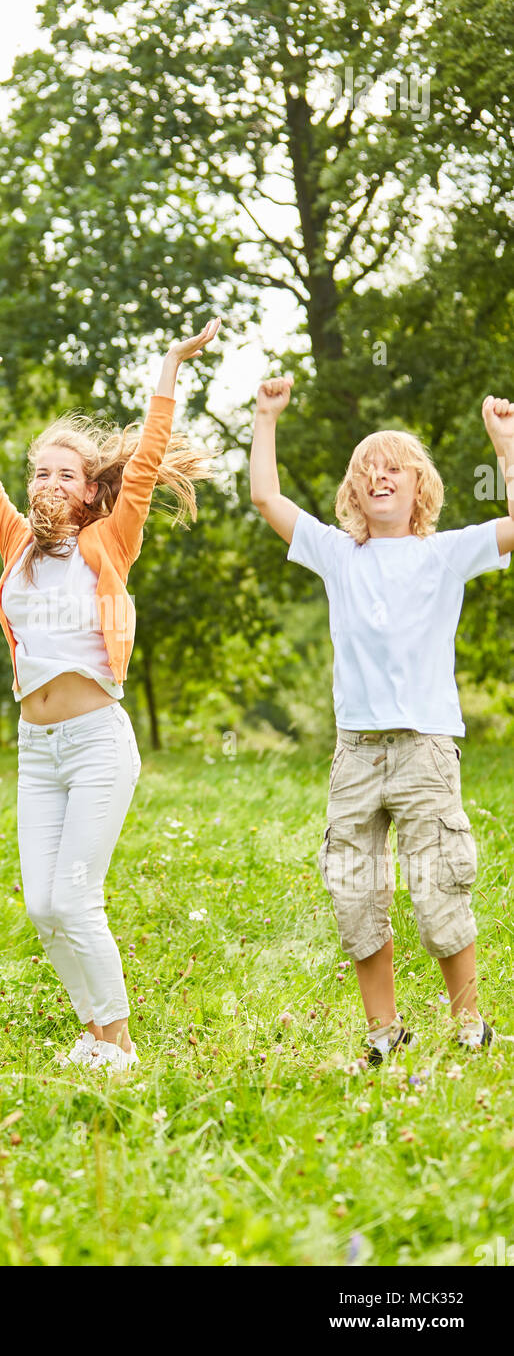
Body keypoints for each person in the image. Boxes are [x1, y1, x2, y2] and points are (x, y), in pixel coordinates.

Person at [0, 318, 219, 1072]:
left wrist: (168, 359)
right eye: (39, 471)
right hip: (35, 749)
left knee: (75, 898)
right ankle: (92, 1031)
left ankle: (120, 1040)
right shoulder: (15, 544)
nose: (46, 483)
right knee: (42, 906)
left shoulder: (110, 541)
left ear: (90, 490)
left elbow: (149, 461)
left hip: (98, 742)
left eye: (63, 474)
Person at [250, 375, 514, 1062]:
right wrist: (265, 417)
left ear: (418, 486)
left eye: (393, 466)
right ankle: (384, 1034)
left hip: (425, 748)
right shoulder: (341, 556)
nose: (379, 475)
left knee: (439, 890)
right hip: (357, 754)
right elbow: (265, 498)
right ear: (353, 493)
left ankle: (470, 1025)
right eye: (367, 470)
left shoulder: (445, 552)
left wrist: (506, 448)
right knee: (354, 893)